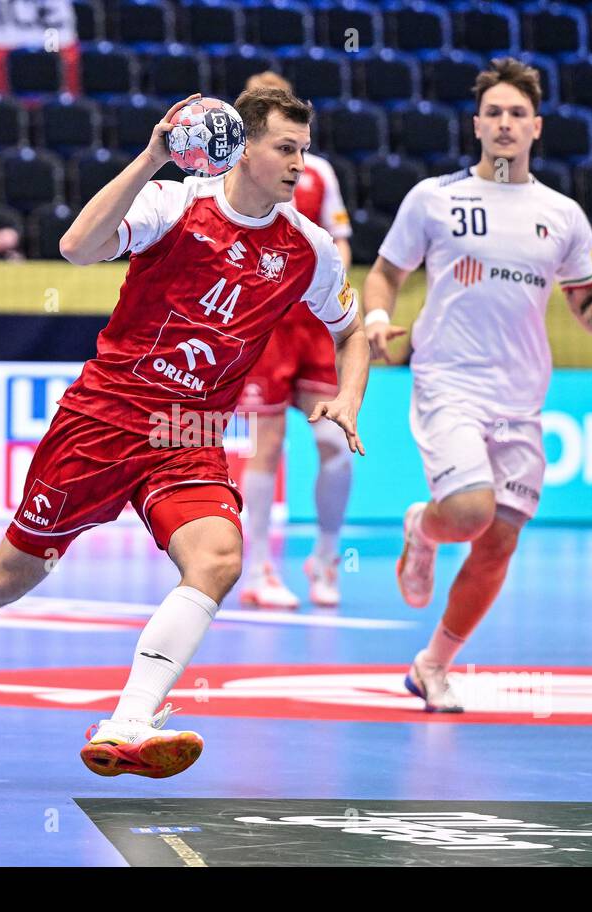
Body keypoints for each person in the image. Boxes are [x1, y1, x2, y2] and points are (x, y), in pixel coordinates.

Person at [0, 89, 367, 778]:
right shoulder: (175, 204)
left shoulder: (307, 249)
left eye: (303, 151)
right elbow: (75, 248)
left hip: (188, 434)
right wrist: (153, 156)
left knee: (217, 561)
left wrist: (351, 393)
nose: (298, 165)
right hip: (105, 417)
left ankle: (131, 717)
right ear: (242, 146)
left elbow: (350, 329)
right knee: (11, 577)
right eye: (286, 148)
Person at [362, 58, 592, 712]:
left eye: (518, 114)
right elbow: (385, 273)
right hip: (447, 378)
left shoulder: (562, 214)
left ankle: (433, 664)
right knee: (468, 513)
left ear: (536, 127)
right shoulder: (434, 198)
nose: (506, 124)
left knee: (500, 540)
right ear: (477, 125)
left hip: (522, 395)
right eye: (495, 113)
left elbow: (585, 297)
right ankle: (422, 531)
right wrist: (376, 317)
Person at [233, 71, 355, 609]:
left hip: (312, 322)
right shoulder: (232, 166)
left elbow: (340, 242)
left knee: (335, 448)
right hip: (264, 323)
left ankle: (325, 558)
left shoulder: (319, 173)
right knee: (267, 446)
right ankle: (258, 567)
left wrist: (335, 297)